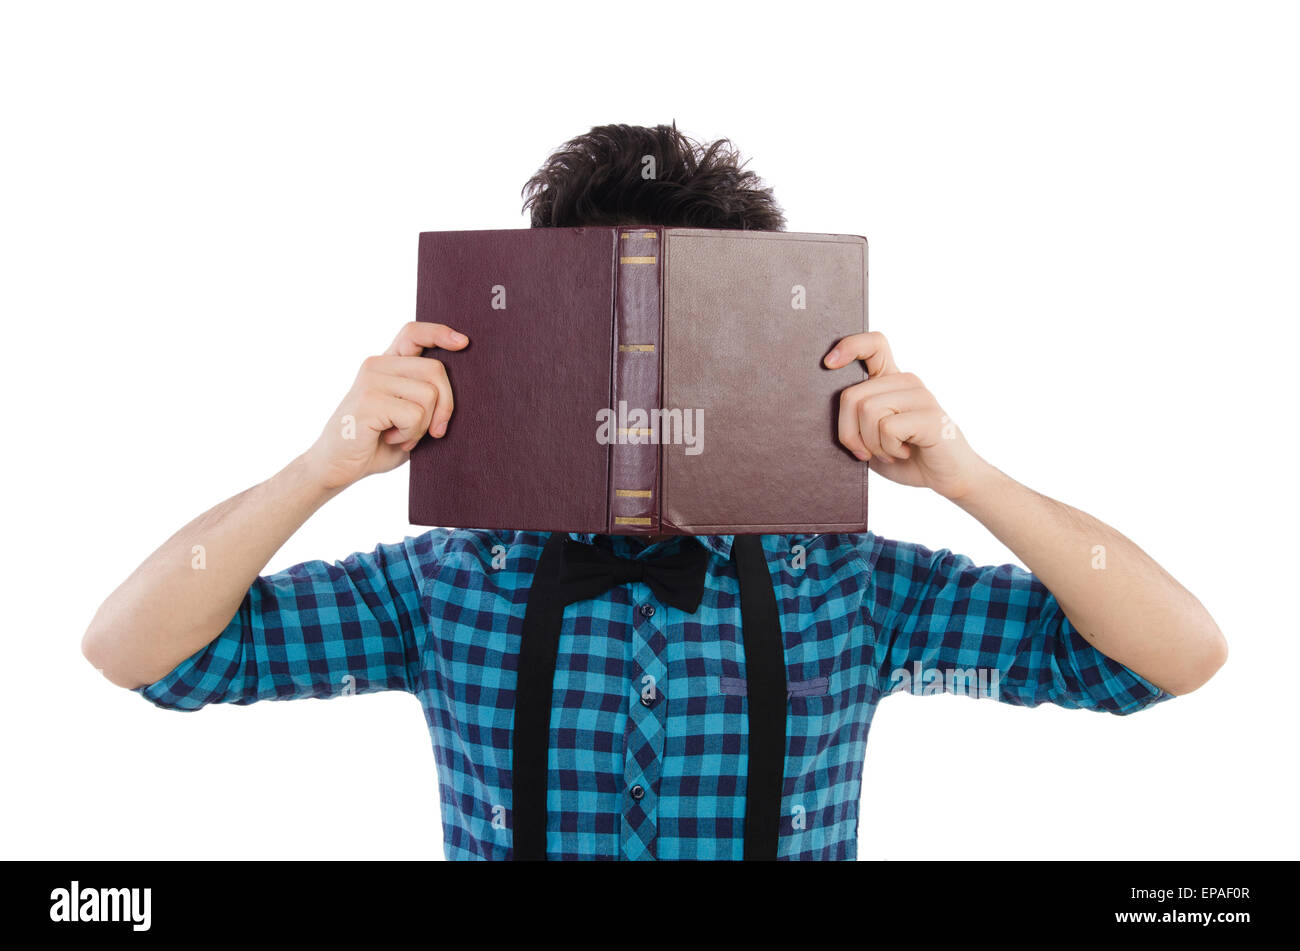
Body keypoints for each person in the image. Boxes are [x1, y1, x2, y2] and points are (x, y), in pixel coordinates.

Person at [82, 123, 1227, 861]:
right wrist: (321, 467)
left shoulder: (843, 583)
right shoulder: (451, 577)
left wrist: (966, 476)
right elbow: (139, 651)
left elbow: (1170, 656)